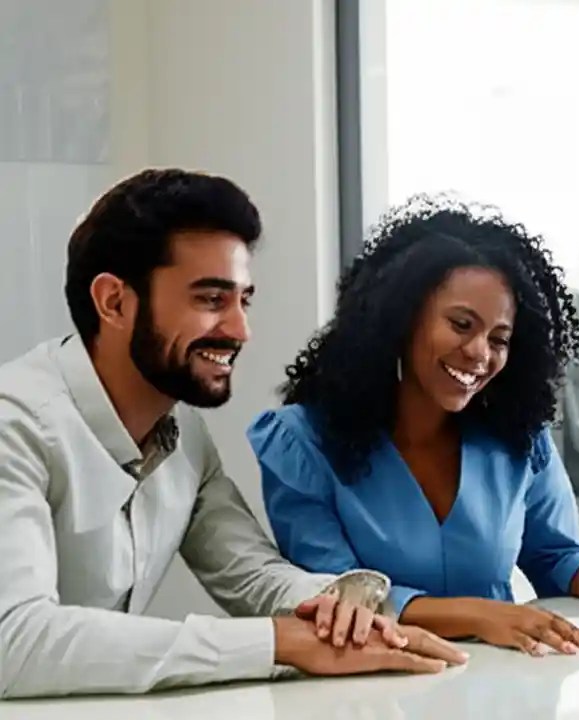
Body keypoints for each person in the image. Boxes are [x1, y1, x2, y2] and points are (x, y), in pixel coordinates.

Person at [0, 169, 467, 699]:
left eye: (243, 300)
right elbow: (12, 641)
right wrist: (275, 643)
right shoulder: (13, 424)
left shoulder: (183, 436)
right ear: (114, 302)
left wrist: (340, 611)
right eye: (210, 299)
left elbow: (250, 573)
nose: (240, 330)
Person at [248, 194, 579, 657]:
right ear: (401, 319)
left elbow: (555, 556)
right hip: (370, 690)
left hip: (502, 688)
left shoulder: (517, 440)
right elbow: (338, 597)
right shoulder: (301, 443)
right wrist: (483, 616)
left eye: (499, 338)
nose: (480, 353)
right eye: (461, 324)